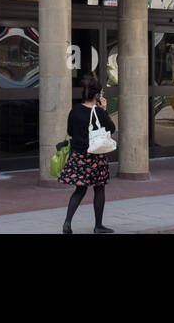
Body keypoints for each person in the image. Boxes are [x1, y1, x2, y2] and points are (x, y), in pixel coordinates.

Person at [59, 73, 116, 234]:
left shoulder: (75, 110)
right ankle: (98, 225)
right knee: (99, 189)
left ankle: (67, 222)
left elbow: (70, 131)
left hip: (78, 156)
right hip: (95, 157)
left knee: (80, 190)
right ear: (97, 95)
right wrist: (104, 110)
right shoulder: (98, 112)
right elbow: (112, 128)